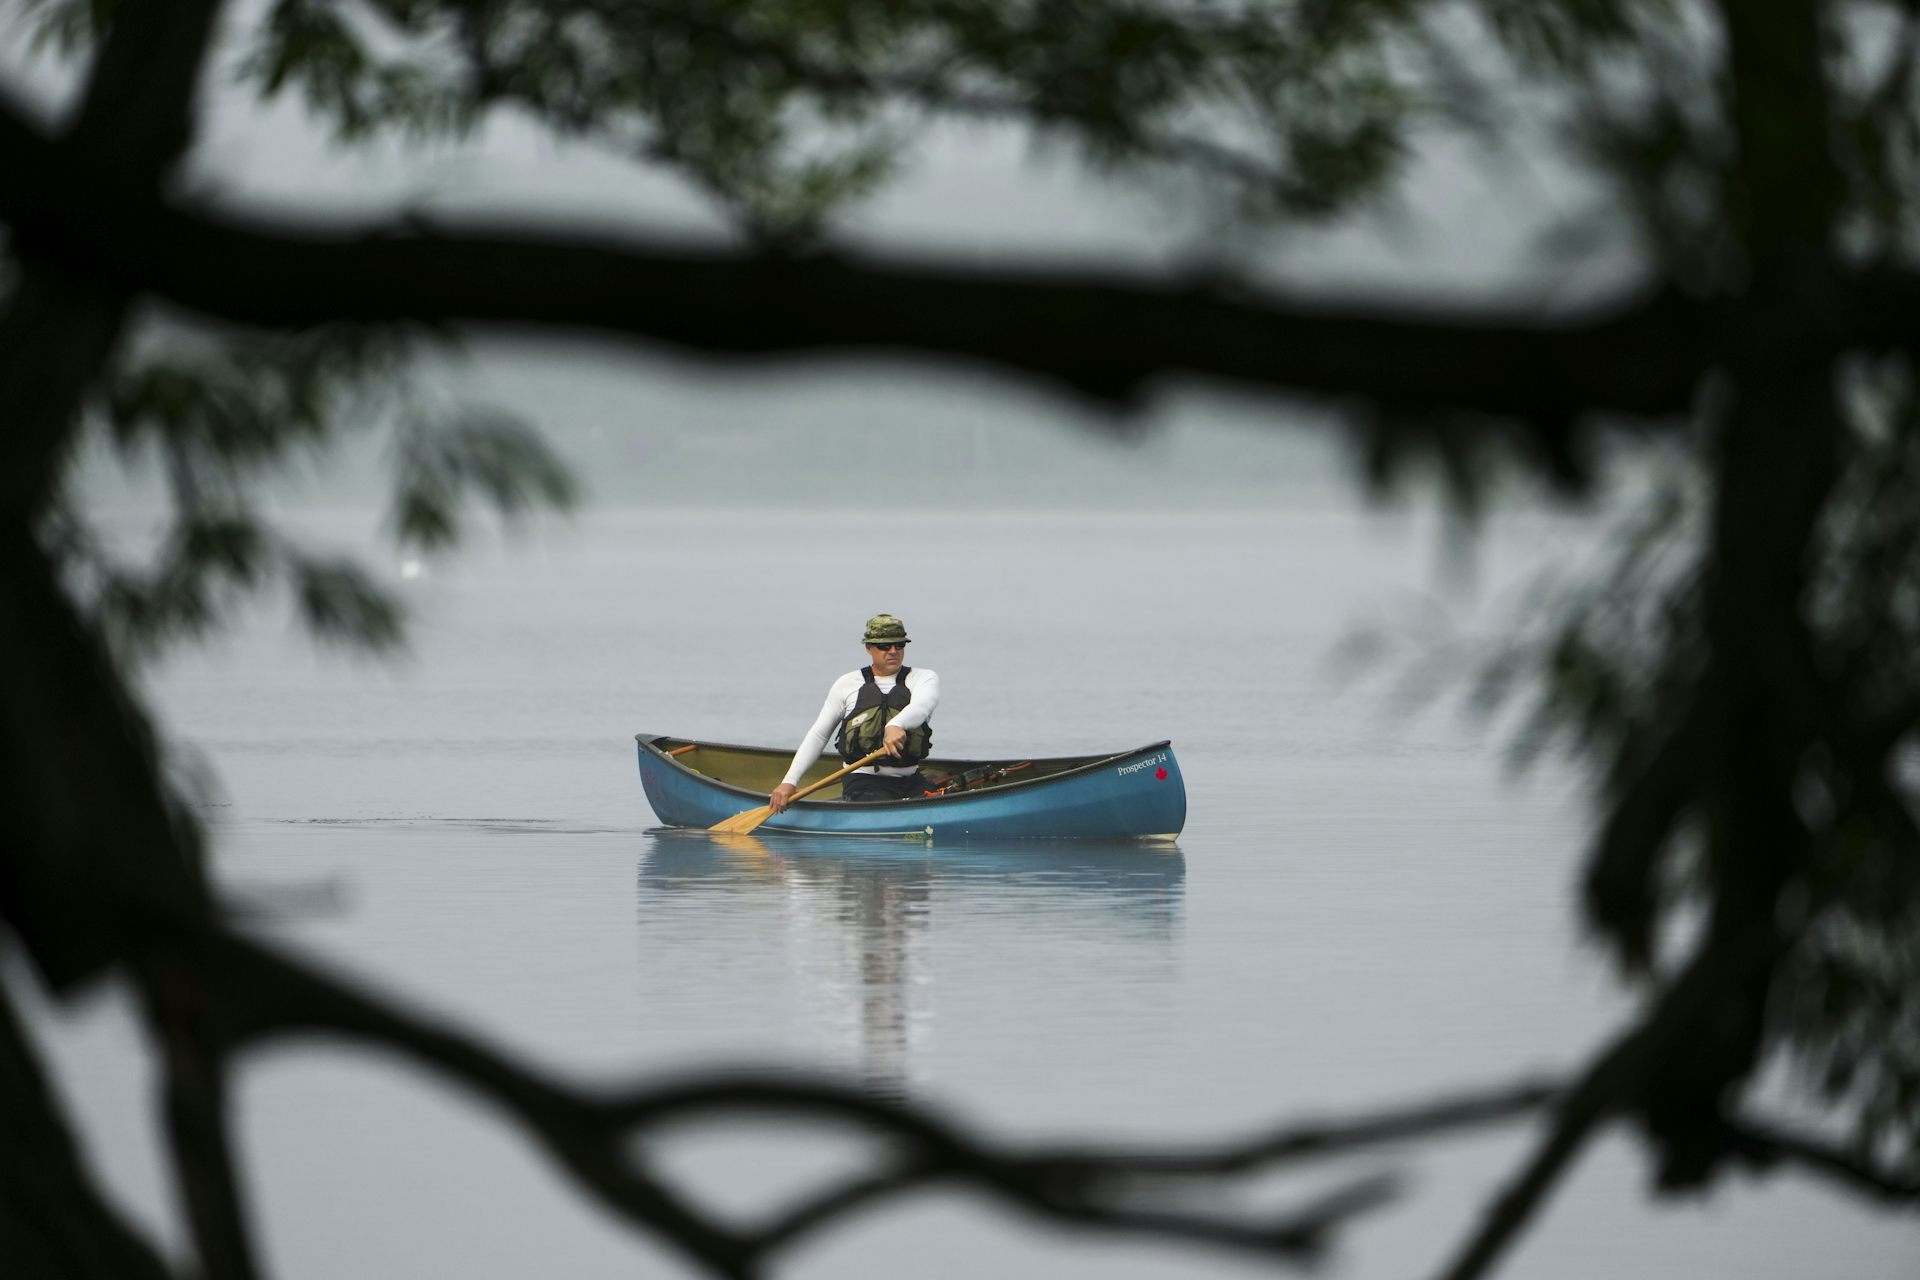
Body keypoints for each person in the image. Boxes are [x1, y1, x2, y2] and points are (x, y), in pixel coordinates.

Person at [768, 614, 940, 810]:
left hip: (911, 779)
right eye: (884, 646)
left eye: (899, 645)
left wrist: (895, 725)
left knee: (934, 801)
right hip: (864, 781)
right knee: (883, 803)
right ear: (869, 647)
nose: (893, 651)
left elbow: (923, 706)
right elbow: (819, 735)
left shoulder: (923, 678)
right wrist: (789, 781)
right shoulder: (847, 684)